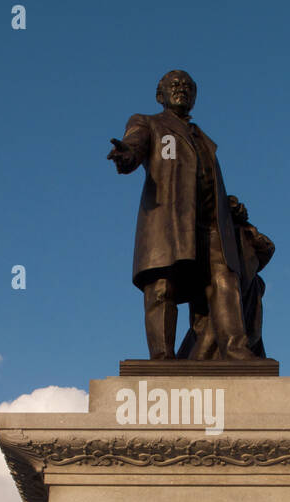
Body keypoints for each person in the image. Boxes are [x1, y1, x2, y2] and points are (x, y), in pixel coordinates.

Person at [108, 70, 257, 360]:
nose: (182, 89)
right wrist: (126, 154)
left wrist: (228, 205)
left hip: (212, 225)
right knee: (163, 287)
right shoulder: (149, 123)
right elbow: (134, 144)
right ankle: (162, 358)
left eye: (188, 86)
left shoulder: (204, 139)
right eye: (174, 85)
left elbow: (202, 180)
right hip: (168, 221)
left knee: (225, 280)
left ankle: (235, 350)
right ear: (159, 94)